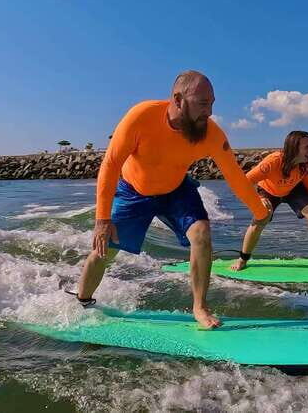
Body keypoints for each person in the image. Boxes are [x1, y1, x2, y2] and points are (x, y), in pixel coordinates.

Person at [75, 70, 270, 329]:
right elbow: (110, 165)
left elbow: (235, 176)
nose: (209, 112)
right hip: (133, 191)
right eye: (202, 104)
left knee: (201, 233)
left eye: (212, 104)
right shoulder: (141, 117)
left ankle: (200, 307)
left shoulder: (210, 133)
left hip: (176, 190)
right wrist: (102, 219)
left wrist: (259, 211)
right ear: (178, 99)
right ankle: (83, 302)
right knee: (103, 251)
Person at [230, 131, 308, 271]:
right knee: (262, 216)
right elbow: (244, 182)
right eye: (307, 147)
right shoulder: (273, 161)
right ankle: (243, 259)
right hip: (268, 190)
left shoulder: (305, 162)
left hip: (293, 189)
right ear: (294, 148)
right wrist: (258, 200)